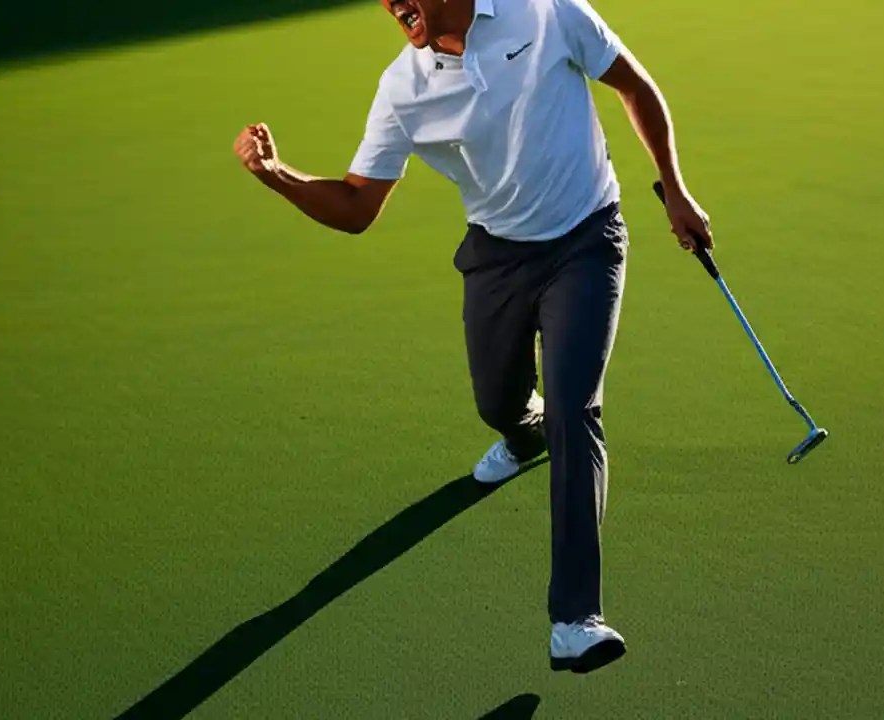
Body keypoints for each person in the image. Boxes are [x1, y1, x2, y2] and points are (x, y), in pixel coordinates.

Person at [232, 0, 712, 674]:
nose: (395, 4)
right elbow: (355, 206)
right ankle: (523, 432)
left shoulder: (547, 12)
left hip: (588, 238)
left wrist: (677, 191)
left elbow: (633, 85)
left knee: (576, 409)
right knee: (498, 400)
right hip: (498, 255)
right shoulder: (403, 89)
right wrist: (274, 174)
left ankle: (576, 618)